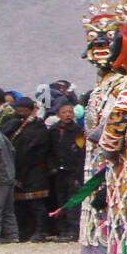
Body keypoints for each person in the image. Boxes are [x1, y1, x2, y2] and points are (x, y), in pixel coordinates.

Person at [4, 96, 52, 242]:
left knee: (37, 204)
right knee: (20, 205)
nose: (22, 113)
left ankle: (40, 230)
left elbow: (38, 147)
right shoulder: (14, 124)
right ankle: (24, 231)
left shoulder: (38, 126)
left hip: (35, 170)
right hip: (18, 169)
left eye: (25, 110)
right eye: (19, 110)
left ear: (31, 111)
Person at [49, 101, 85, 242]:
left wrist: (78, 172)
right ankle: (62, 229)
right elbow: (50, 150)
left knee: (73, 200)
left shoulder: (78, 131)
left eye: (70, 112)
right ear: (58, 114)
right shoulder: (53, 131)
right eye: (64, 112)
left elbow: (81, 152)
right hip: (59, 171)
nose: (67, 115)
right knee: (61, 198)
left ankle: (73, 230)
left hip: (72, 170)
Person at [0, 124, 16, 243]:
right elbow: (13, 151)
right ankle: (12, 236)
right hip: (9, 175)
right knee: (8, 210)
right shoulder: (1, 136)